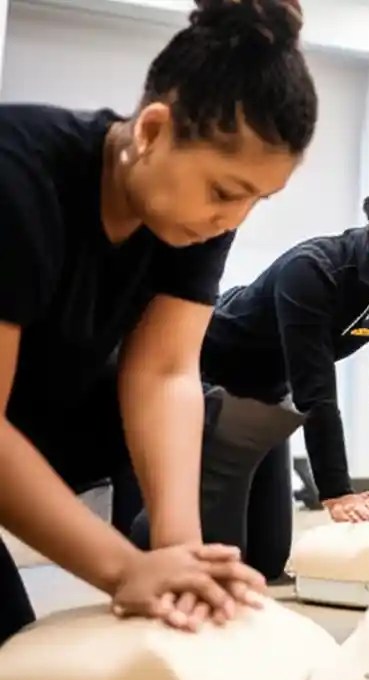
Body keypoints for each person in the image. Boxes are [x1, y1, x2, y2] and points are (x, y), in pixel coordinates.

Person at [0, 0, 319, 644]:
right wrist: (124, 570)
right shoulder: (18, 176)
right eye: (227, 192)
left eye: (259, 199)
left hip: (42, 412)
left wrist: (181, 557)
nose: (233, 219)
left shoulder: (190, 217)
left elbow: (165, 373)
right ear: (150, 131)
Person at [122, 172, 369, 578]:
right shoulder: (313, 270)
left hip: (267, 396)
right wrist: (335, 492)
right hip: (210, 379)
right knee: (220, 552)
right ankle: (135, 550)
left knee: (267, 559)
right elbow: (315, 390)